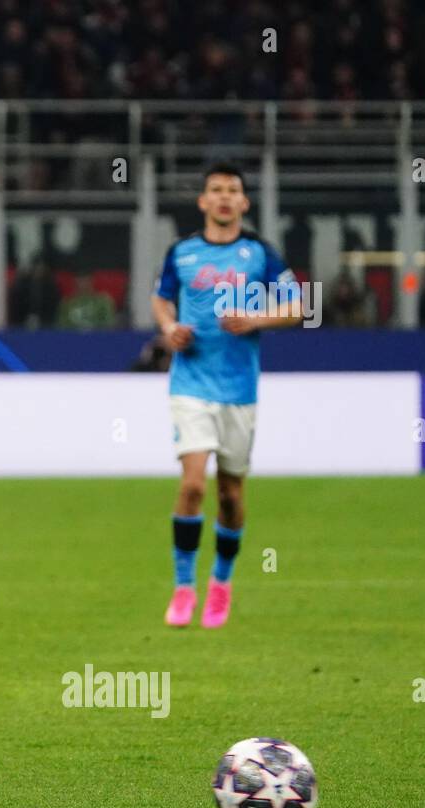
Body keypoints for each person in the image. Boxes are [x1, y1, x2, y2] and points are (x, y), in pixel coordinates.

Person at [151, 161, 302, 629]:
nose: (222, 197)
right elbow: (161, 298)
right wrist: (169, 328)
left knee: (231, 495)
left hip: (239, 388)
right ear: (202, 201)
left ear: (243, 202)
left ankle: (221, 581)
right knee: (193, 483)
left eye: (231, 190)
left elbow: (301, 307)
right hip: (190, 382)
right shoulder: (181, 253)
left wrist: (257, 320)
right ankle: (183, 587)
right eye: (214, 189)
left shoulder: (260, 255)